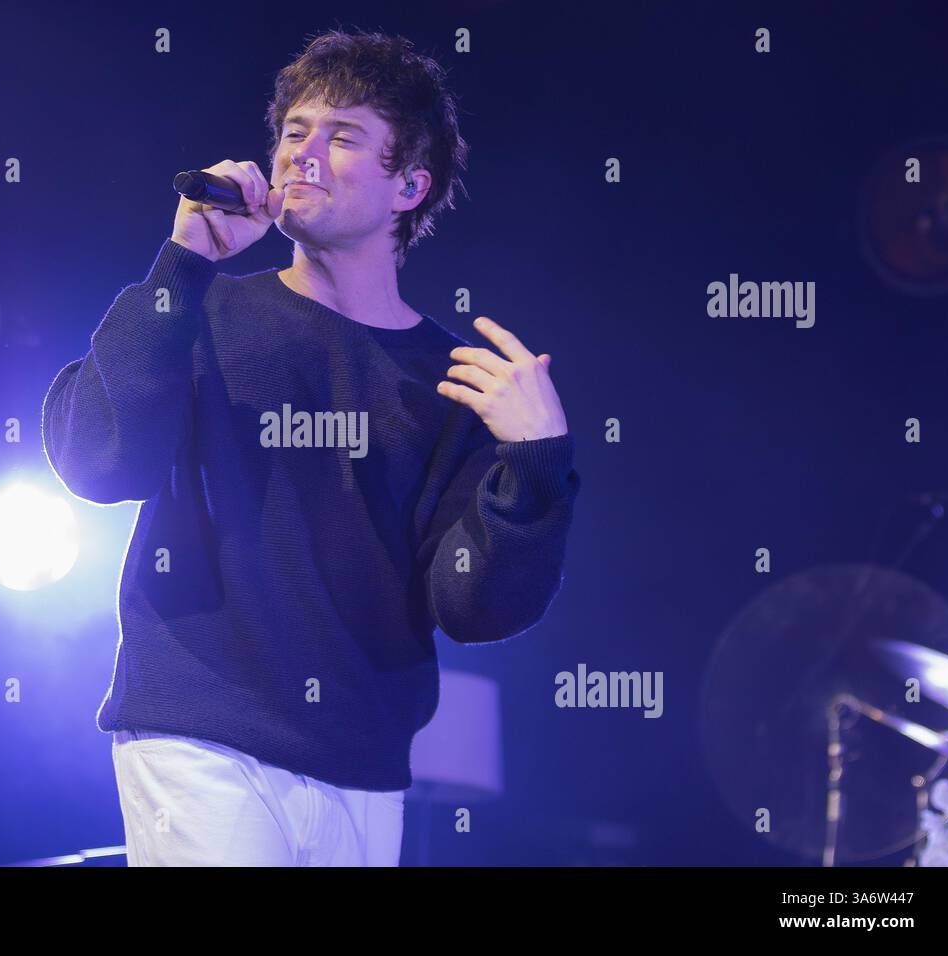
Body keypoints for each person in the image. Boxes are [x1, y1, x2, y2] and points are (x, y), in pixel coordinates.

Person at [42, 29, 580, 866]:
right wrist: (182, 264)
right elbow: (99, 459)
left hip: (364, 767)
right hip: (200, 731)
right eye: (294, 131)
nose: (304, 154)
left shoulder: (454, 381)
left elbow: (472, 609)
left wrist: (535, 464)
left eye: (344, 137)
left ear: (410, 186)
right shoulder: (205, 310)